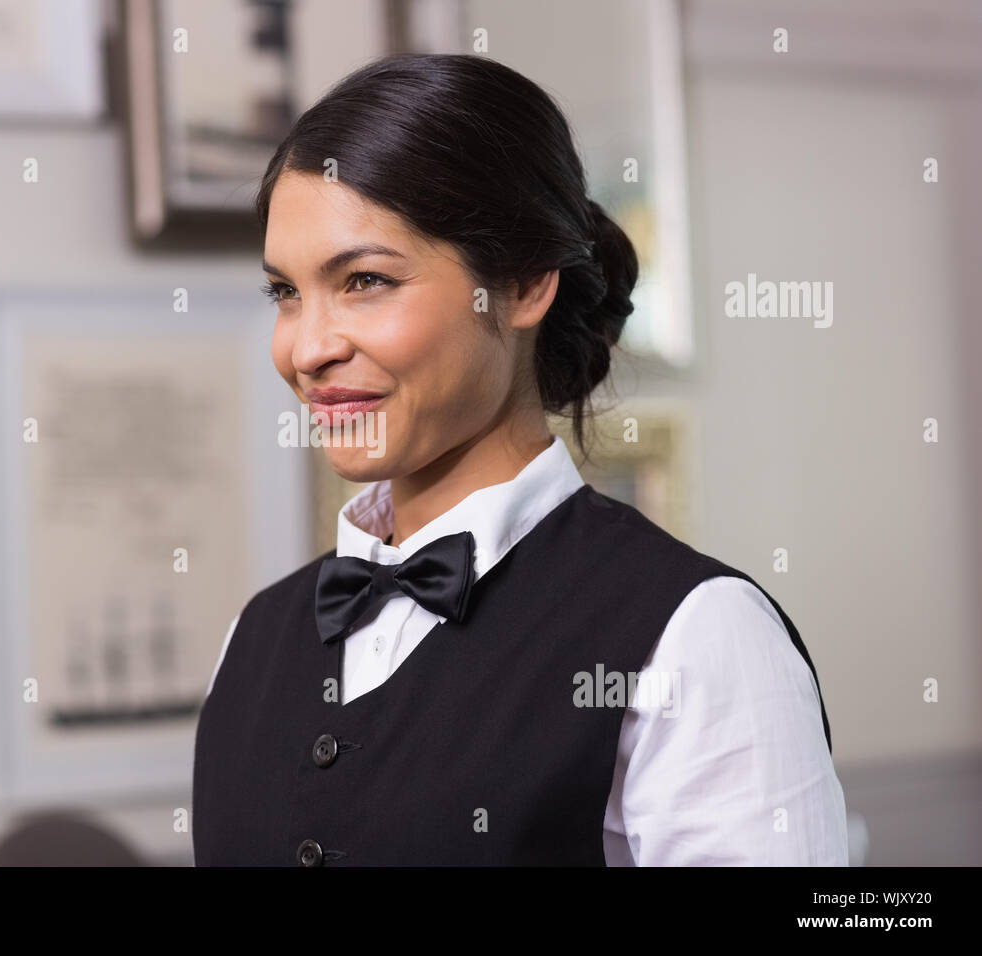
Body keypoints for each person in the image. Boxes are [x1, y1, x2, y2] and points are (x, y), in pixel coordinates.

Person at [192, 53, 847, 866]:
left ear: (524, 283)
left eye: (364, 279)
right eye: (285, 293)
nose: (308, 348)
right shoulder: (253, 637)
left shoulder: (697, 637)